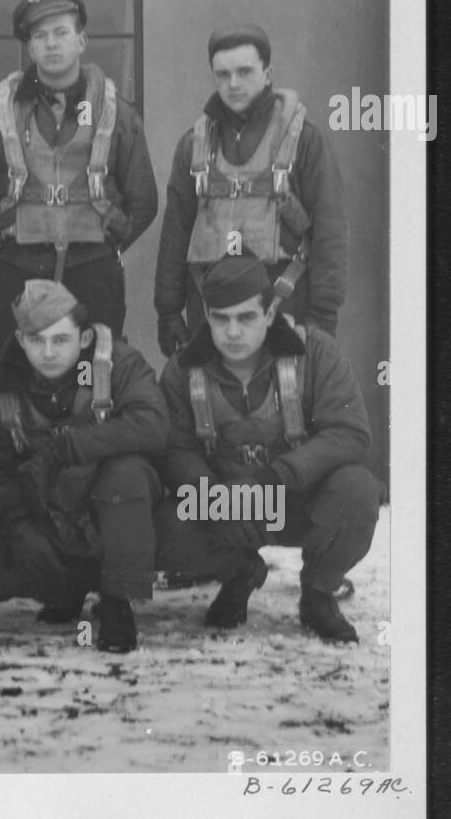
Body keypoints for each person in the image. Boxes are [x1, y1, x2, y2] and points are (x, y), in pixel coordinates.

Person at [154, 254, 379, 642]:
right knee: (161, 523)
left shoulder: (316, 353)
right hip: (226, 505)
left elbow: (349, 432)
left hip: (296, 500)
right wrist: (211, 492)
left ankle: (318, 593)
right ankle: (240, 573)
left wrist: (277, 476)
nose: (233, 332)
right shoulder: (180, 369)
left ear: (271, 312)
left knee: (357, 492)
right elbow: (173, 448)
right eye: (220, 318)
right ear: (206, 314)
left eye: (246, 317)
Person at [0, 280, 168, 654]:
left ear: (86, 337)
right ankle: (71, 585)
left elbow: (152, 424)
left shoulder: (117, 365)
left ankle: (117, 600)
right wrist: (18, 527)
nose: (47, 352)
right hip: (55, 512)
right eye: (35, 340)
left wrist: (67, 446)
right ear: (20, 339)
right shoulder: (2, 390)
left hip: (118, 508)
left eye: (60, 340)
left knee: (126, 476)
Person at [0, 0, 158, 377]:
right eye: (39, 36)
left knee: (95, 375)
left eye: (60, 32)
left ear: (82, 40)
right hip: (16, 265)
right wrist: (11, 242)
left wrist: (103, 243)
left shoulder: (116, 115)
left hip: (92, 267)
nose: (51, 44)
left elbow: (143, 199)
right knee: (11, 377)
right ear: (29, 48)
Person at [154, 22, 349, 359]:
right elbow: (176, 230)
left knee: (288, 401)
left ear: (268, 73)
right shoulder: (193, 145)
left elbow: (331, 232)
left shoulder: (303, 139)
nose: (233, 84)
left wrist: (323, 316)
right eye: (223, 74)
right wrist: (169, 310)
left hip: (284, 301)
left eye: (244, 71)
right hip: (211, 310)